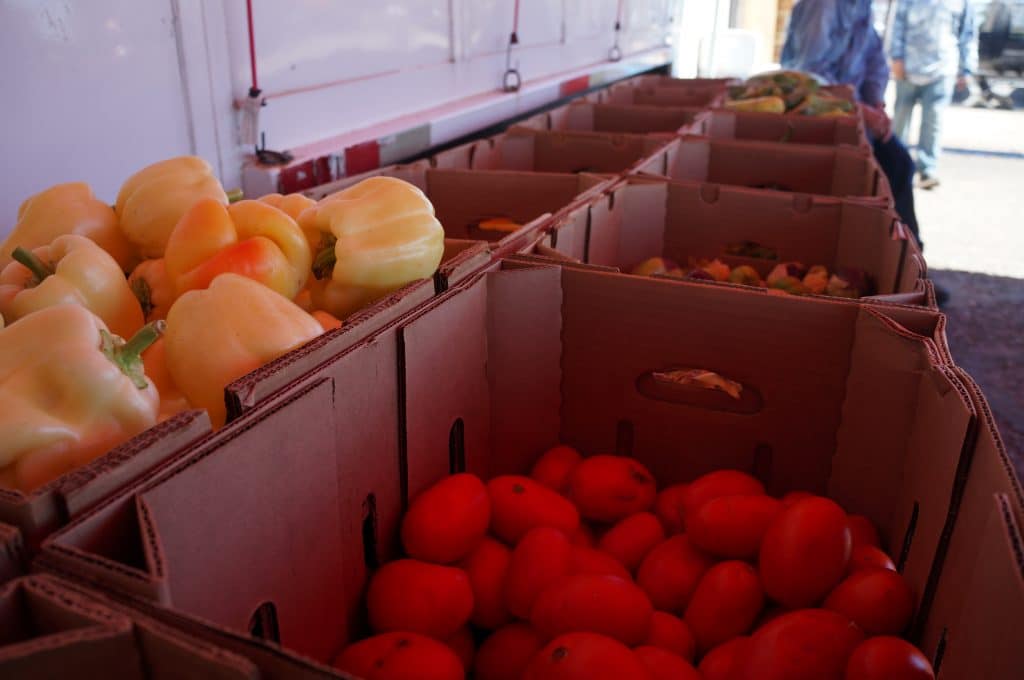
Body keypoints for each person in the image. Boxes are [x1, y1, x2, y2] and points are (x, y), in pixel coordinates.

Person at [780, 0, 920, 244]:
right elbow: (810, 74)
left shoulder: (862, 5)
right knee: (860, 179)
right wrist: (861, 111)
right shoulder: (822, 6)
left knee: (899, 164)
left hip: (853, 111)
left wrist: (875, 102)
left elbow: (874, 58)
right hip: (815, 112)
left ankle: (910, 260)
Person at [890, 0, 978, 189]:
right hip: (908, 68)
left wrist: (967, 68)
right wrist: (896, 57)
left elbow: (968, 33)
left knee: (933, 121)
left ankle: (927, 170)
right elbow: (897, 25)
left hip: (942, 68)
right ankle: (894, 167)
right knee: (900, 120)